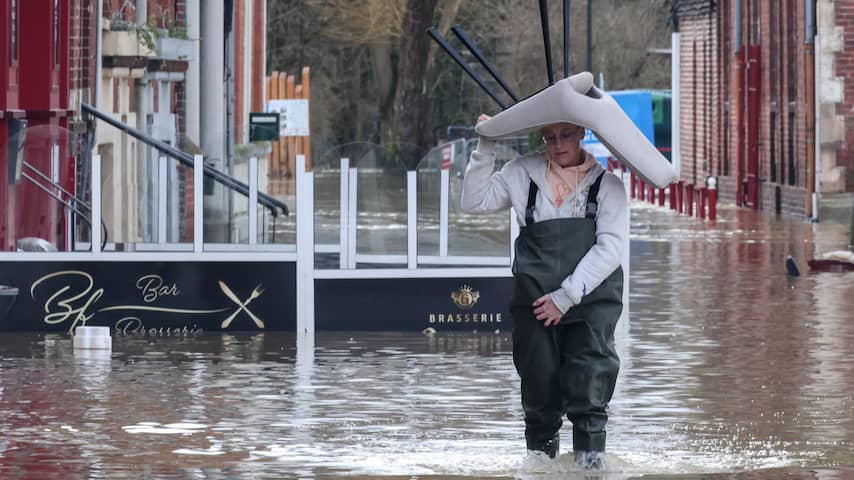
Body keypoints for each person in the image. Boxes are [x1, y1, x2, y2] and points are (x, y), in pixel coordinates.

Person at [461, 116, 627, 469]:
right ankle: (539, 469)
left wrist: (565, 297)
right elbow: (473, 202)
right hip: (535, 302)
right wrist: (486, 142)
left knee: (590, 385)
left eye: (566, 135)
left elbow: (611, 249)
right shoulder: (520, 173)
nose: (558, 144)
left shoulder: (608, 185)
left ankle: (591, 470)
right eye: (549, 137)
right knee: (538, 388)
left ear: (582, 133)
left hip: (592, 302)